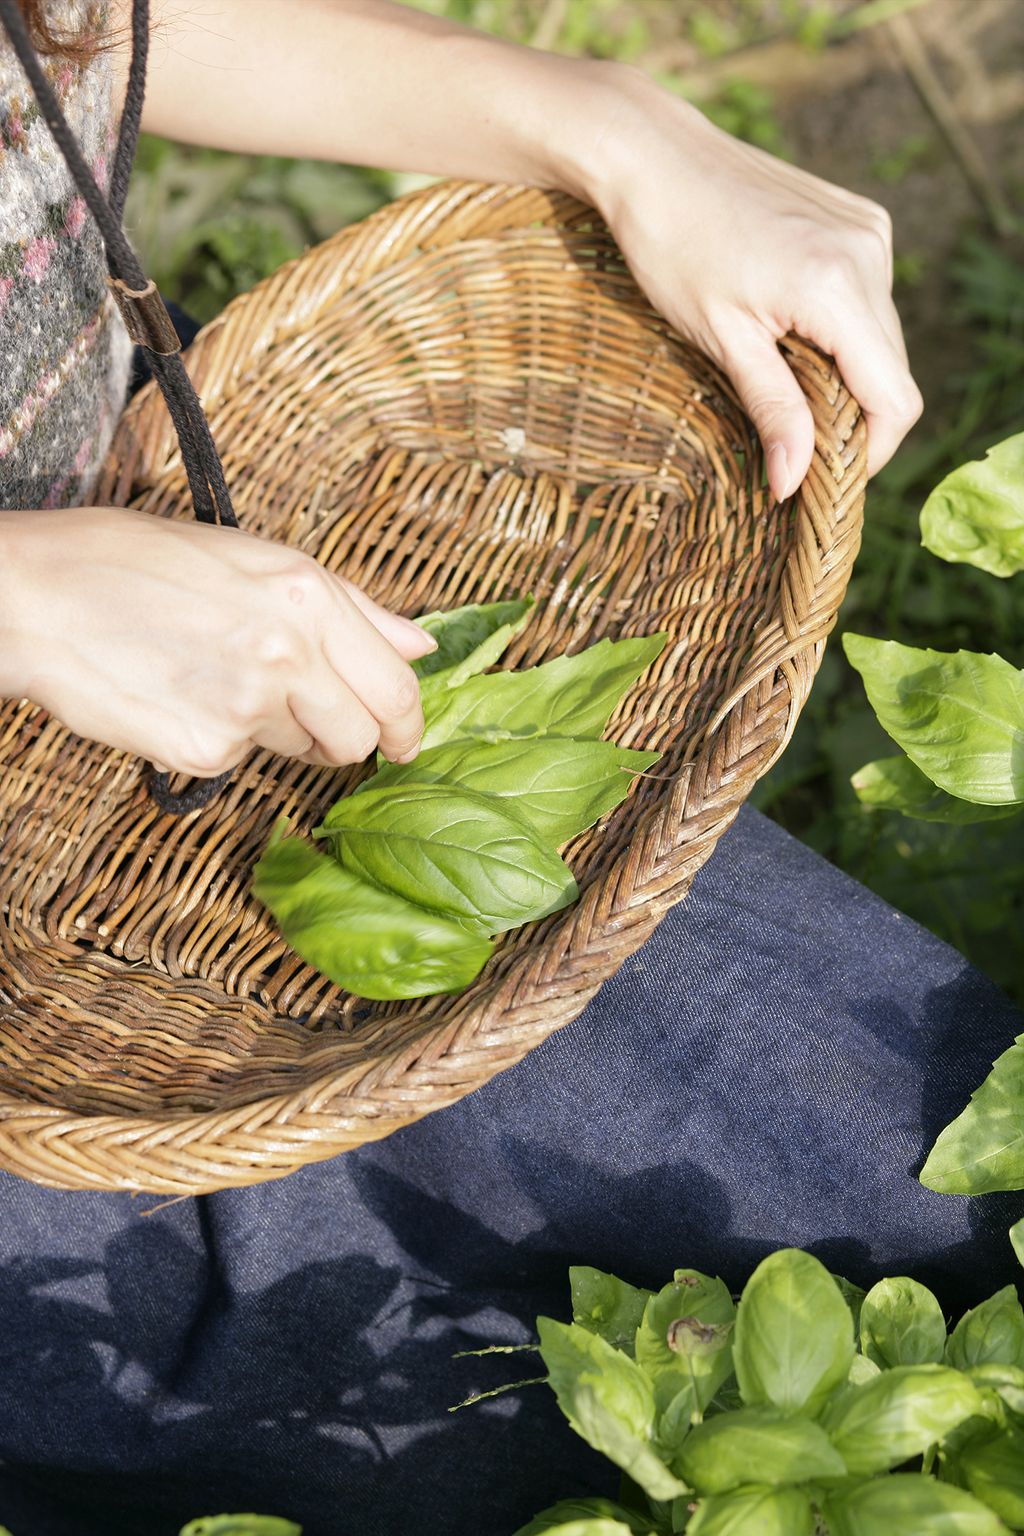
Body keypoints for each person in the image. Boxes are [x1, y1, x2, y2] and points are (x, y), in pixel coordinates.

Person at [0, 4, 1019, 1535]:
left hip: (210, 657)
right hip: (64, 1038)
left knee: (915, 1178)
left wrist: (611, 124)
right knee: (396, 1434)